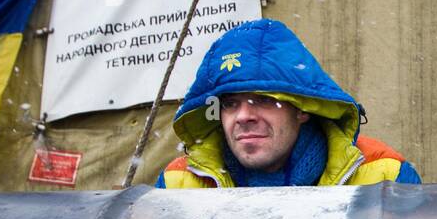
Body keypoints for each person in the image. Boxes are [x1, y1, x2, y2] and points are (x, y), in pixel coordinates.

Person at [157, 19, 420, 188]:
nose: (243, 115)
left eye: (264, 100)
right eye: (230, 103)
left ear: (303, 108)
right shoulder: (179, 184)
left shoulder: (382, 177)